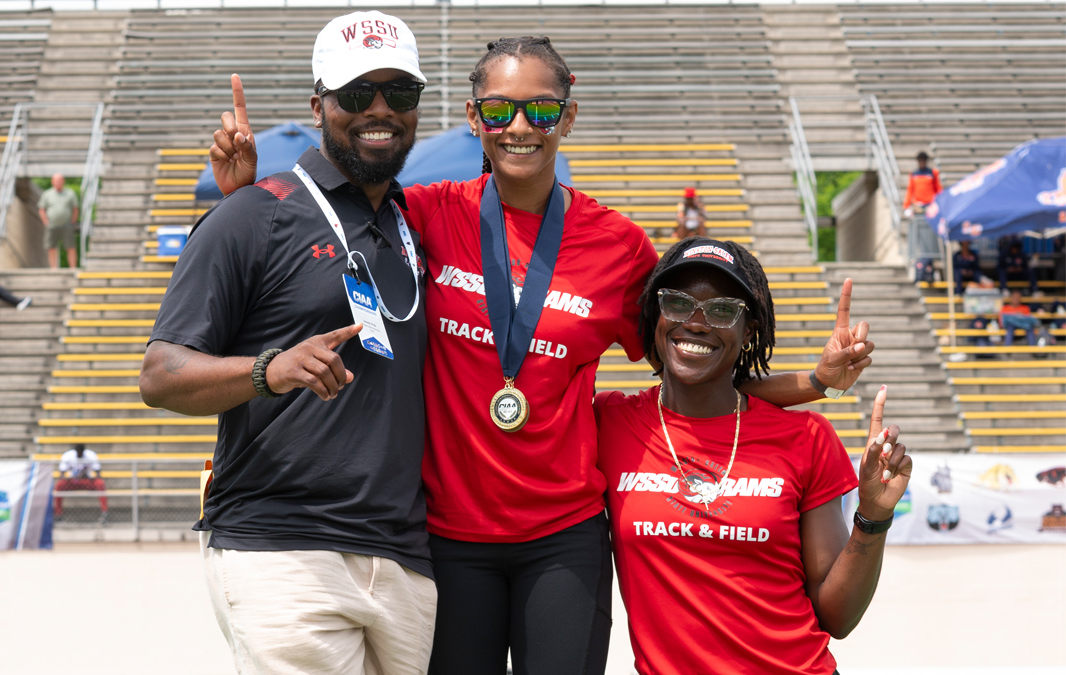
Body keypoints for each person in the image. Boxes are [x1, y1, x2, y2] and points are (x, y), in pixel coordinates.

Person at [213, 32, 874, 675]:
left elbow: (696, 383)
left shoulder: (618, 246)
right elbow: (306, 244)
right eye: (498, 110)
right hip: (446, 535)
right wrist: (239, 196)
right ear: (475, 118)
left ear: (569, 116)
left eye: (541, 108)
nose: (520, 125)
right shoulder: (424, 215)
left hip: (563, 538)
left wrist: (816, 381)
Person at [143, 12, 437, 674]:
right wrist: (268, 370)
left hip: (406, 558)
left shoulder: (415, 223)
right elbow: (159, 373)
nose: (380, 110)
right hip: (284, 548)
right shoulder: (252, 213)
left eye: (400, 92)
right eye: (358, 94)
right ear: (318, 105)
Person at [595, 238, 911, 675]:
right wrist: (816, 382)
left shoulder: (805, 437)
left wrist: (873, 517)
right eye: (677, 303)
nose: (698, 322)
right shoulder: (609, 423)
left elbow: (837, 618)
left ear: (749, 332)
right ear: (654, 316)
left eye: (723, 310)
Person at [55, 443, 108, 523]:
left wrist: (90, 477)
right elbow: (61, 474)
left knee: (100, 484)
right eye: (78, 452)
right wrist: (69, 478)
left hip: (86, 480)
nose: (79, 453)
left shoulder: (91, 455)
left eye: (81, 452)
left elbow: (98, 473)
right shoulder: (68, 456)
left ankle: (105, 513)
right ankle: (58, 514)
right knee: (59, 485)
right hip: (72, 481)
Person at [38, 173, 80, 269]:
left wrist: (73, 221)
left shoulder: (70, 193)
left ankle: (72, 268)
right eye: (56, 180)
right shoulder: (47, 194)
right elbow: (41, 209)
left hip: (67, 224)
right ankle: (54, 268)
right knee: (51, 247)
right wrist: (45, 222)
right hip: (52, 225)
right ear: (52, 182)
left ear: (63, 181)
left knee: (71, 247)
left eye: (60, 180)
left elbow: (75, 208)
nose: (58, 182)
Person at [903, 150, 941, 217]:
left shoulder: (933, 173)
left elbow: (938, 189)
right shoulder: (914, 174)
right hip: (918, 205)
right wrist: (906, 205)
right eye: (920, 161)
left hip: (930, 204)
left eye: (924, 160)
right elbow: (910, 190)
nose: (922, 162)